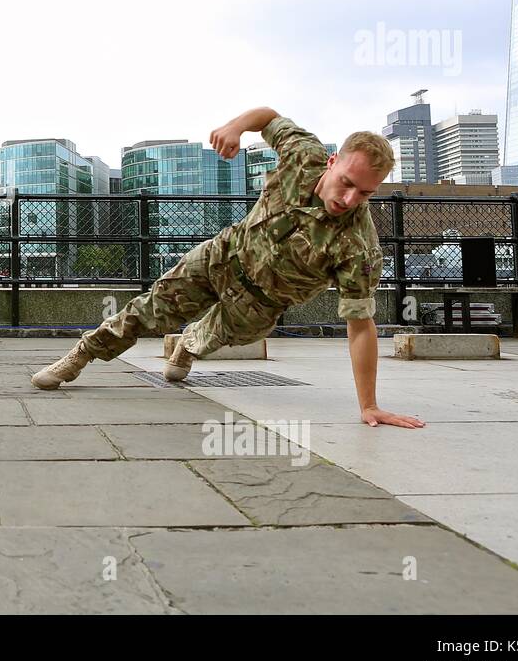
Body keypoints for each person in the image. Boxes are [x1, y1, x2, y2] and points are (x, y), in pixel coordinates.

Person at [30, 107, 425, 429]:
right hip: (223, 256)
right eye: (346, 182)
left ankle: (188, 345)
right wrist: (235, 127)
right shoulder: (305, 156)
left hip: (258, 305)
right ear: (332, 161)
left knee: (214, 335)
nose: (350, 198)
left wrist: (369, 405)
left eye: (366, 193)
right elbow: (268, 117)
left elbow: (360, 326)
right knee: (149, 309)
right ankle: (79, 357)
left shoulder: (358, 245)